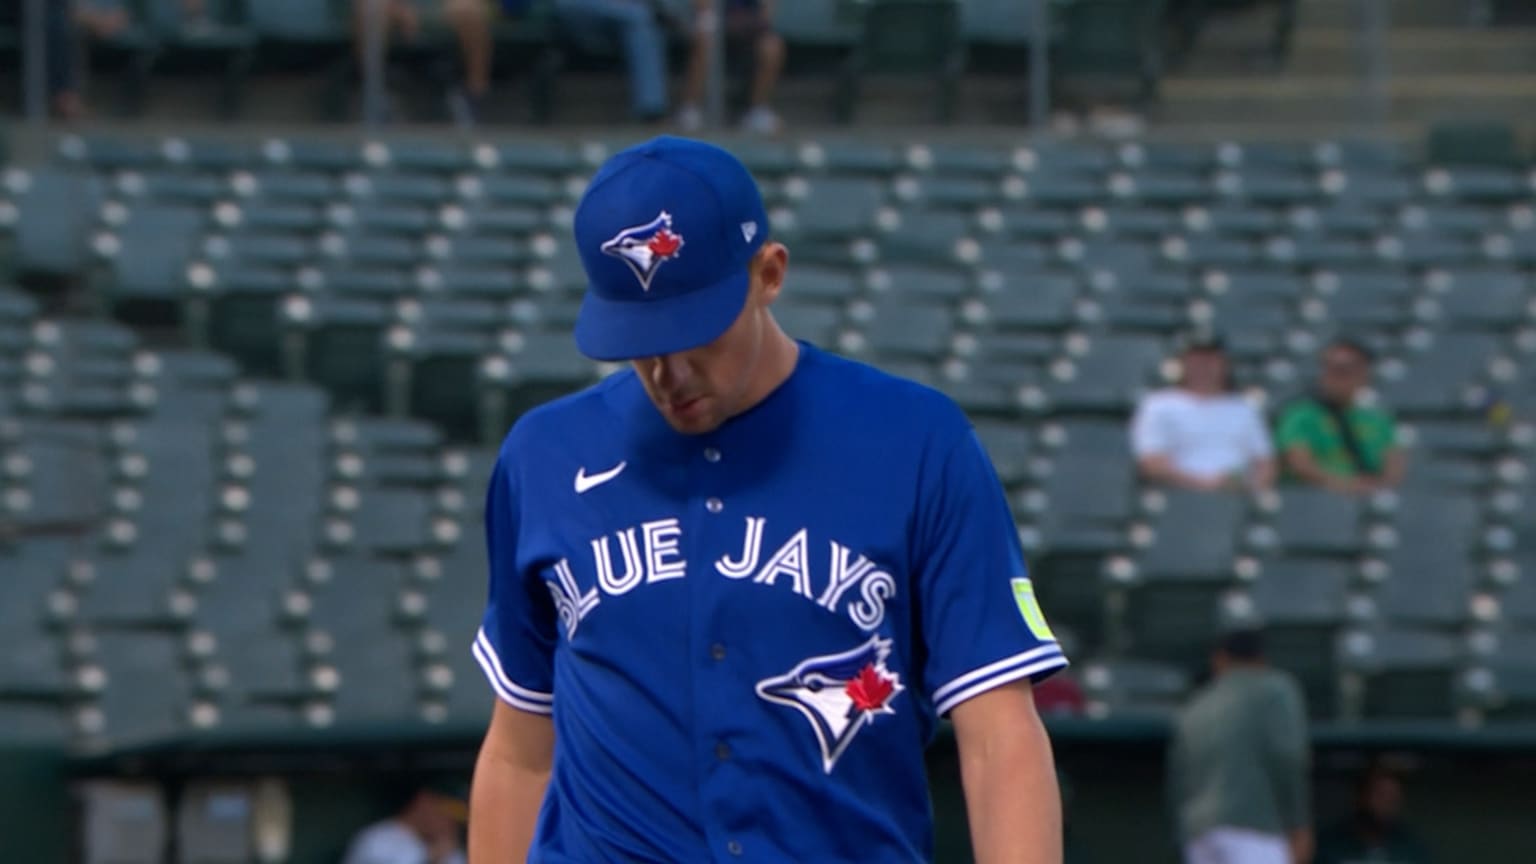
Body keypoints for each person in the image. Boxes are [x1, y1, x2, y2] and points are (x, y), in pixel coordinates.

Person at [469, 136, 1070, 862]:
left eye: (696, 332)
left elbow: (998, 736)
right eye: (642, 341)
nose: (670, 372)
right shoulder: (544, 456)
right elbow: (521, 751)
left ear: (769, 273)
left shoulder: (917, 442)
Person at [1168, 628, 1312, 864]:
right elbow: (1288, 757)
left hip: (1199, 838)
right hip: (1253, 833)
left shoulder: (1195, 705)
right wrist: (1298, 824)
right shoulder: (1275, 690)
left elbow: (1178, 784)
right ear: (1262, 660)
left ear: (1220, 659)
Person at [1130, 337, 1275, 492]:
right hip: (1176, 496)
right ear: (1183, 362)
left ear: (1224, 364)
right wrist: (1203, 484)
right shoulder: (1158, 404)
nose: (1203, 366)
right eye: (1197, 359)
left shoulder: (1244, 409)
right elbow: (1151, 463)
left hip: (1234, 497)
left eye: (1210, 359)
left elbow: (1265, 464)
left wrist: (1247, 487)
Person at [1275, 339, 1405, 495]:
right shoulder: (1299, 415)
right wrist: (1345, 486)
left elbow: (1394, 465)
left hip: (1368, 497)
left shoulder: (1379, 419)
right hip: (1317, 500)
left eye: (1346, 371)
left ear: (1364, 375)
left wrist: (1377, 488)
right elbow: (1300, 462)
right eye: (1331, 369)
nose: (1337, 378)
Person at [350, 0, 493, 126]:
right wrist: (399, 9)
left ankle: (475, 97)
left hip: (440, 8)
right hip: (390, 8)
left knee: (470, 8)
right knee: (370, 6)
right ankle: (375, 97)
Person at [677, 0, 784, 134]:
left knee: (772, 46)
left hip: (747, 25)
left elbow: (766, 14)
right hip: (713, 21)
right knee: (706, 36)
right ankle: (691, 108)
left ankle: (756, 110)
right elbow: (702, 6)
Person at [554, 0, 669, 122]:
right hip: (577, 10)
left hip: (619, 20)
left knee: (642, 31)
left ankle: (651, 108)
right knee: (639, 14)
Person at [1315, 763, 1430, 864]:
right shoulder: (1329, 847)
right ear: (1360, 797)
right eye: (1381, 796)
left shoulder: (1411, 848)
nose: (1387, 804)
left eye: (1393, 799)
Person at [342, 776, 467, 864]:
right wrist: (432, 861)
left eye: (456, 817)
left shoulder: (446, 846)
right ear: (424, 802)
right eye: (447, 813)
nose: (451, 823)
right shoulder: (377, 841)